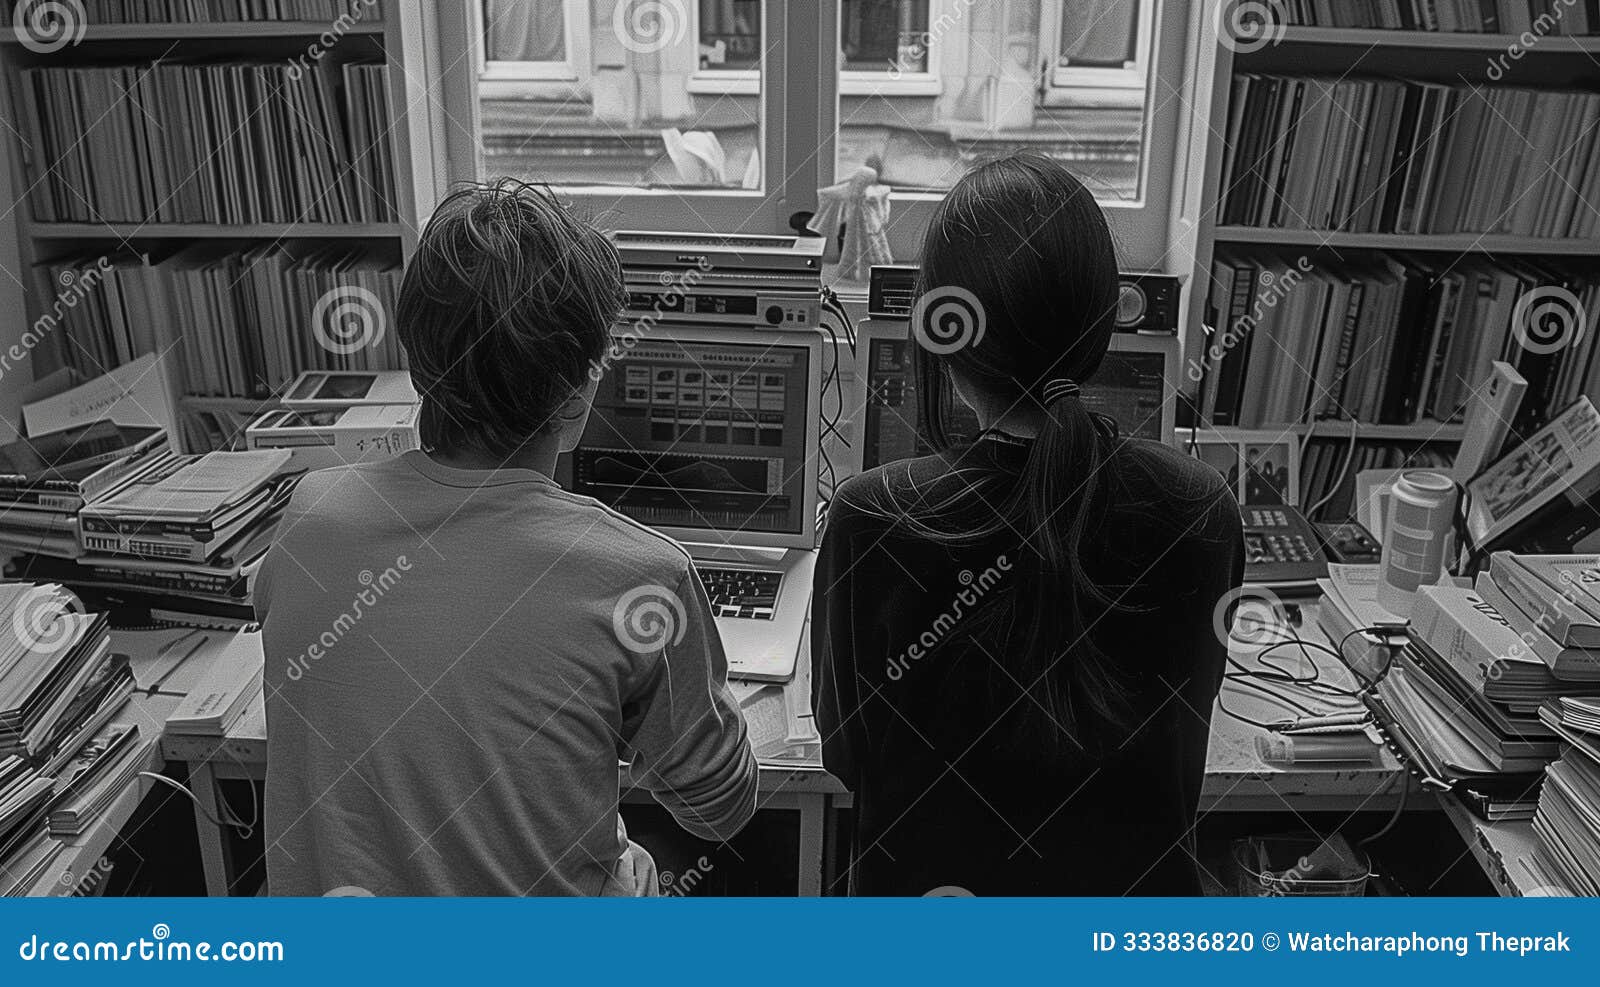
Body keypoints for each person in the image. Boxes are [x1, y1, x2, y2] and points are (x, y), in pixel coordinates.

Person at [257, 180, 758, 896]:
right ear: (578, 393)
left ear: (416, 366)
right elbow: (720, 811)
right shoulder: (648, 577)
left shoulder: (309, 514)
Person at [813, 154, 1243, 896]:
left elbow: (847, 755)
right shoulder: (1202, 508)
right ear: (1102, 325)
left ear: (944, 336)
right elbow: (1185, 740)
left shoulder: (869, 518)